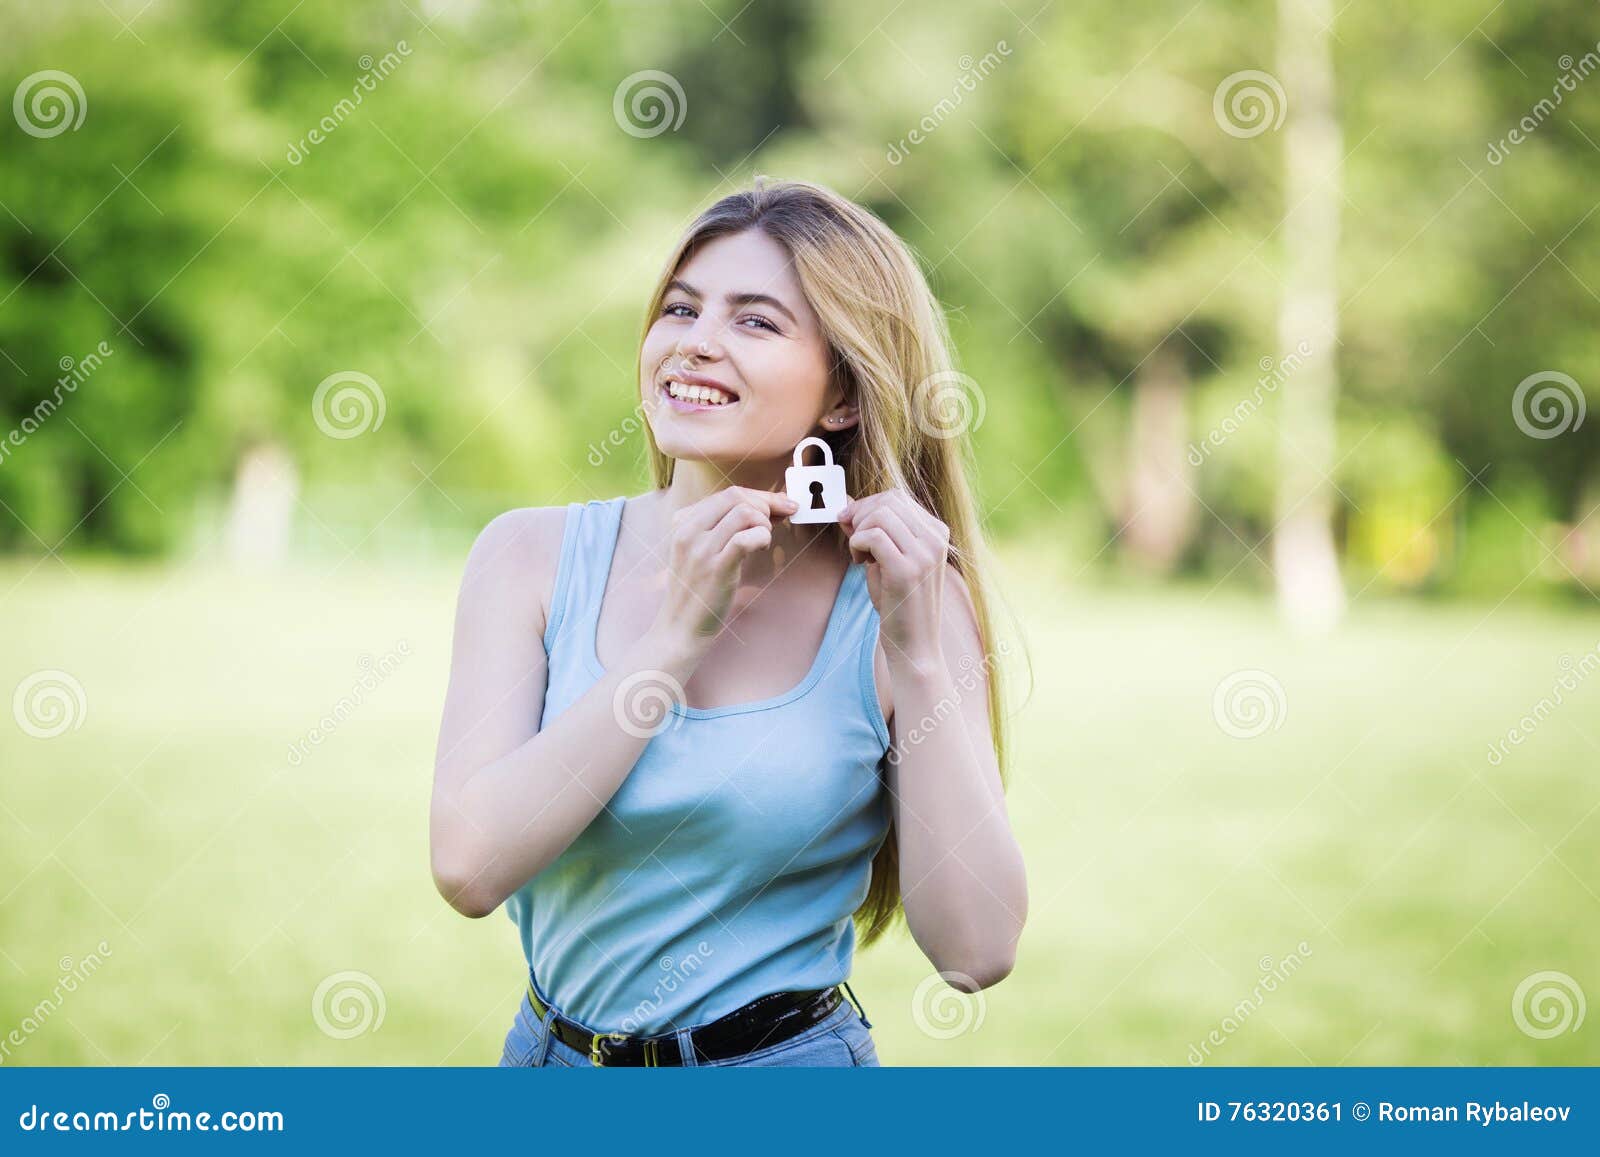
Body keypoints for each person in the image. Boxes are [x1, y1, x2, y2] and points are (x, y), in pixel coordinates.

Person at [429, 176, 1027, 1067]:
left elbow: (977, 953)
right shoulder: (527, 558)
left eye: (755, 321)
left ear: (844, 397)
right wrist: (675, 639)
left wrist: (919, 656)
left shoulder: (905, 595)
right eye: (679, 309)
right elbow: (470, 867)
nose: (695, 344)